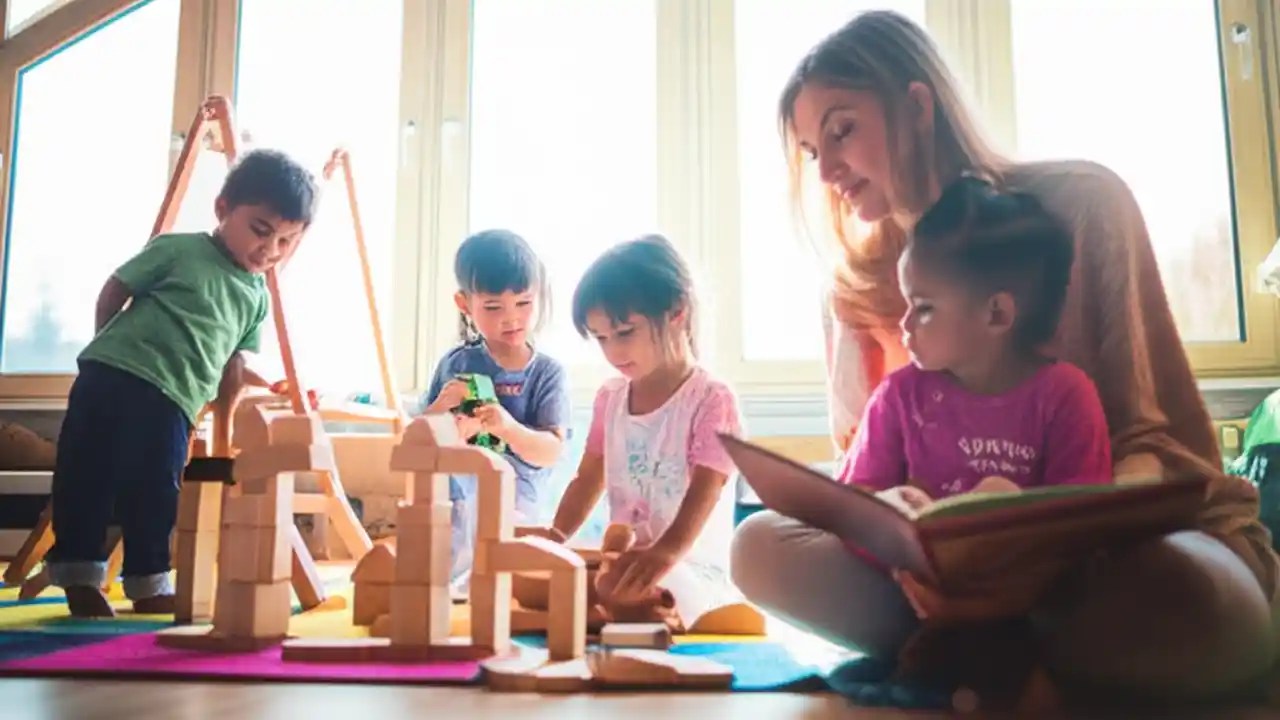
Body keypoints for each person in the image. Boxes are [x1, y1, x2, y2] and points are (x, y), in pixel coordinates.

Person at [730, 9, 1278, 704]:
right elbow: (864, 478)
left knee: (1195, 604)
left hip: (1117, 555)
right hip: (939, 576)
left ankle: (996, 643)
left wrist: (1048, 550)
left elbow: (1150, 445)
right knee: (758, 548)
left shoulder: (1081, 206)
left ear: (917, 106)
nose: (828, 169)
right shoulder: (855, 288)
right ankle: (1003, 644)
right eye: (813, 150)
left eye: (842, 130)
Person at [48, 149, 319, 617]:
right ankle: (80, 578)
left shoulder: (255, 297)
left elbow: (228, 364)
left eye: (286, 241)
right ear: (222, 209)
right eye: (260, 230)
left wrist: (253, 398)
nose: (269, 250)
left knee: (157, 488)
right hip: (110, 378)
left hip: (173, 402)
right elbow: (116, 288)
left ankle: (149, 581)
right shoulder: (179, 248)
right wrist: (106, 349)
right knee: (86, 475)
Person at [841, 175, 1111, 509]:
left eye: (924, 308)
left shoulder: (1065, 397)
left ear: (996, 314)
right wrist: (891, 503)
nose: (905, 323)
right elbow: (853, 500)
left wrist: (1011, 511)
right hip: (910, 559)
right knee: (763, 533)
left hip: (1023, 558)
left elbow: (1087, 520)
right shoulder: (899, 396)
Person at [532, 234, 744, 626]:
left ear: (677, 311)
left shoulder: (711, 398)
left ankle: (628, 610)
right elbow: (588, 477)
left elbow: (707, 490)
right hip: (624, 560)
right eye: (601, 339)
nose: (613, 352)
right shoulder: (610, 398)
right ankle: (612, 608)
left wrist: (663, 554)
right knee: (551, 578)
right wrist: (556, 538)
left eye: (625, 333)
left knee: (615, 587)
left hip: (688, 567)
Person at [421, 229, 571, 591]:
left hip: (517, 506)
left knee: (502, 583)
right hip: (456, 504)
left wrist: (507, 428)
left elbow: (551, 450)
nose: (511, 319)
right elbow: (421, 440)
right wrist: (442, 407)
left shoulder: (546, 372)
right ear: (464, 304)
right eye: (493, 307)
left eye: (524, 303)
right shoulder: (456, 363)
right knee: (447, 583)